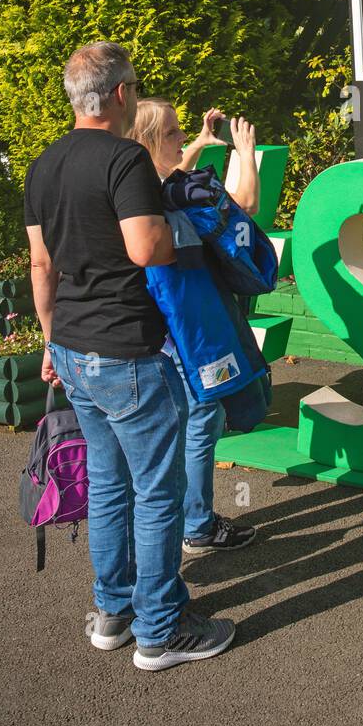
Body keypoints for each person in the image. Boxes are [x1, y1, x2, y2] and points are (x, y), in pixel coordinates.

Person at [24, 42, 235, 671]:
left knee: (110, 487)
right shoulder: (124, 161)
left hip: (74, 347)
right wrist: (184, 234)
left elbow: (42, 265)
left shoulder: (42, 167)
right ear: (120, 95)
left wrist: (48, 340)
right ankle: (161, 632)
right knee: (158, 493)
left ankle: (112, 613)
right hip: (128, 353)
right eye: (136, 87)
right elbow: (146, 249)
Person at [129, 99, 261, 554]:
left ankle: (187, 519)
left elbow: (172, 175)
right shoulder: (168, 191)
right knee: (204, 423)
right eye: (173, 133)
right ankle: (198, 527)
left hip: (161, 338)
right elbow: (243, 208)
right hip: (193, 339)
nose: (181, 139)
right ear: (146, 140)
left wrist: (203, 143)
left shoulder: (137, 189)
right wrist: (245, 153)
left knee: (181, 428)